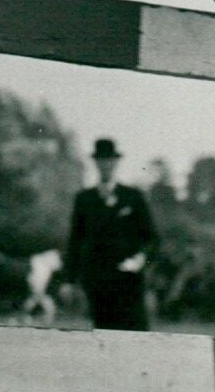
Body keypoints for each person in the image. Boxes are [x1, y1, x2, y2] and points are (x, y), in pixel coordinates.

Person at [66, 138, 158, 335]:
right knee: (104, 339)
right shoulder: (84, 199)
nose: (105, 165)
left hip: (129, 283)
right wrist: (69, 280)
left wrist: (139, 260)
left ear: (116, 163)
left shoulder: (133, 197)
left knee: (136, 337)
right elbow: (75, 241)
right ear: (95, 164)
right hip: (98, 283)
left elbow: (152, 240)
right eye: (101, 161)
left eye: (109, 160)